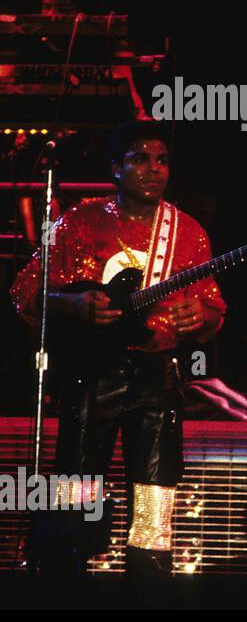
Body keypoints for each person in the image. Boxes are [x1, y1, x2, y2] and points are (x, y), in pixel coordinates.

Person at [10, 121, 226, 576]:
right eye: (140, 159)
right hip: (91, 370)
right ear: (115, 167)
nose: (153, 170)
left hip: (157, 374)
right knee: (77, 478)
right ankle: (66, 565)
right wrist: (75, 304)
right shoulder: (78, 222)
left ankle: (149, 578)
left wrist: (199, 317)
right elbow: (27, 292)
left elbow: (213, 309)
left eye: (162, 160)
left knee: (156, 481)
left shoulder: (188, 232)